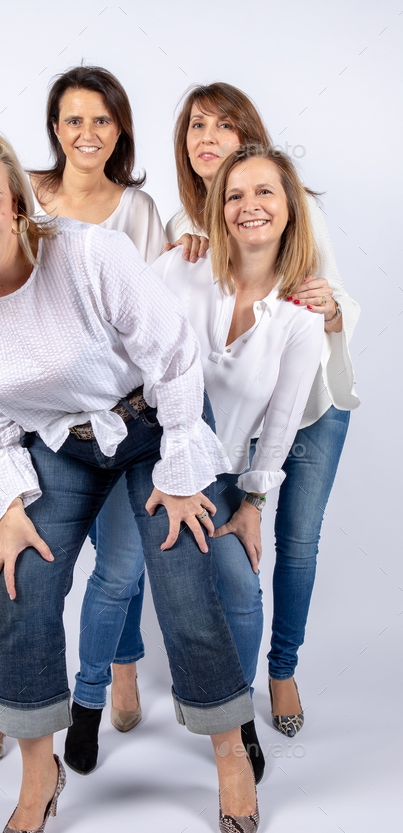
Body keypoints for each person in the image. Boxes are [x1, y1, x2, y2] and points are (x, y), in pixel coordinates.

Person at [0, 121, 261, 833]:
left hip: (154, 421)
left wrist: (178, 473)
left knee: (181, 566)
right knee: (22, 576)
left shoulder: (88, 255)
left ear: (16, 202)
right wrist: (12, 507)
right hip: (61, 444)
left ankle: (230, 751)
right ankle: (40, 775)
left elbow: (174, 357)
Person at [0, 66, 166, 776]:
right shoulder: (20, 191)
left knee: (118, 551)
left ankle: (122, 665)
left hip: (99, 409)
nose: (87, 133)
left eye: (102, 120)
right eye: (73, 119)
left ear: (120, 129)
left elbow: (151, 315)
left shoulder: (138, 211)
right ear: (54, 126)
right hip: (19, 406)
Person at [166, 83, 360, 738]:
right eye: (197, 125)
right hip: (240, 411)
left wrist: (329, 309)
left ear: (246, 134)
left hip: (311, 405)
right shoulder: (184, 223)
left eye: (224, 125)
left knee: (296, 539)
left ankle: (282, 669)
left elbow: (335, 297)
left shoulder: (287, 199)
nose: (209, 138)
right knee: (238, 538)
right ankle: (224, 685)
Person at [155, 147, 324, 779]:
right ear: (218, 211)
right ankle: (102, 692)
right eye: (234, 195)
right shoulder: (180, 269)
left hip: (223, 471)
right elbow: (119, 341)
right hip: (152, 458)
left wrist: (253, 503)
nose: (249, 206)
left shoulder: (300, 317)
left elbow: (280, 423)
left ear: (290, 208)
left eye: (265, 193)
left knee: (243, 590)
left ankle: (238, 713)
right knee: (124, 575)